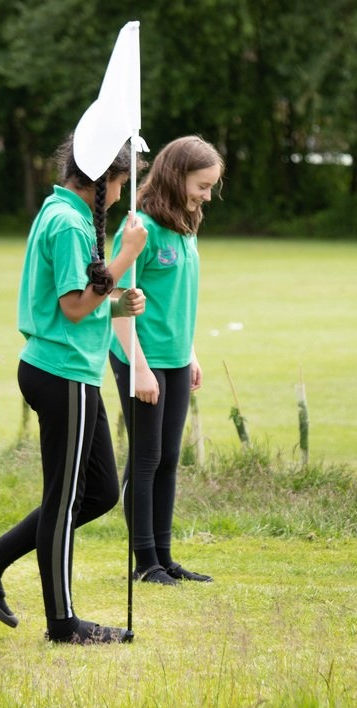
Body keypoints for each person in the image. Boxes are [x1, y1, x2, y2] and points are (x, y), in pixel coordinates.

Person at [0, 135, 148, 643]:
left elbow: (86, 301)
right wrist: (127, 256)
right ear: (101, 180)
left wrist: (116, 305)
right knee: (63, 502)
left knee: (100, 492)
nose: (119, 193)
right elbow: (73, 308)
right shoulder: (66, 223)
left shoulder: (70, 215)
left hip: (72, 371)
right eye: (120, 183)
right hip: (61, 372)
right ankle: (63, 625)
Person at [109, 136, 224, 586]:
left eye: (212, 187)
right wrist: (138, 365)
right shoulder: (141, 228)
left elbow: (176, 297)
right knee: (146, 458)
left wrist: (190, 352)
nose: (207, 196)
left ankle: (165, 556)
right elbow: (117, 298)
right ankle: (145, 563)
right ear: (177, 177)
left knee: (170, 458)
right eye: (202, 185)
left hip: (175, 357)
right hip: (141, 355)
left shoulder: (185, 222)